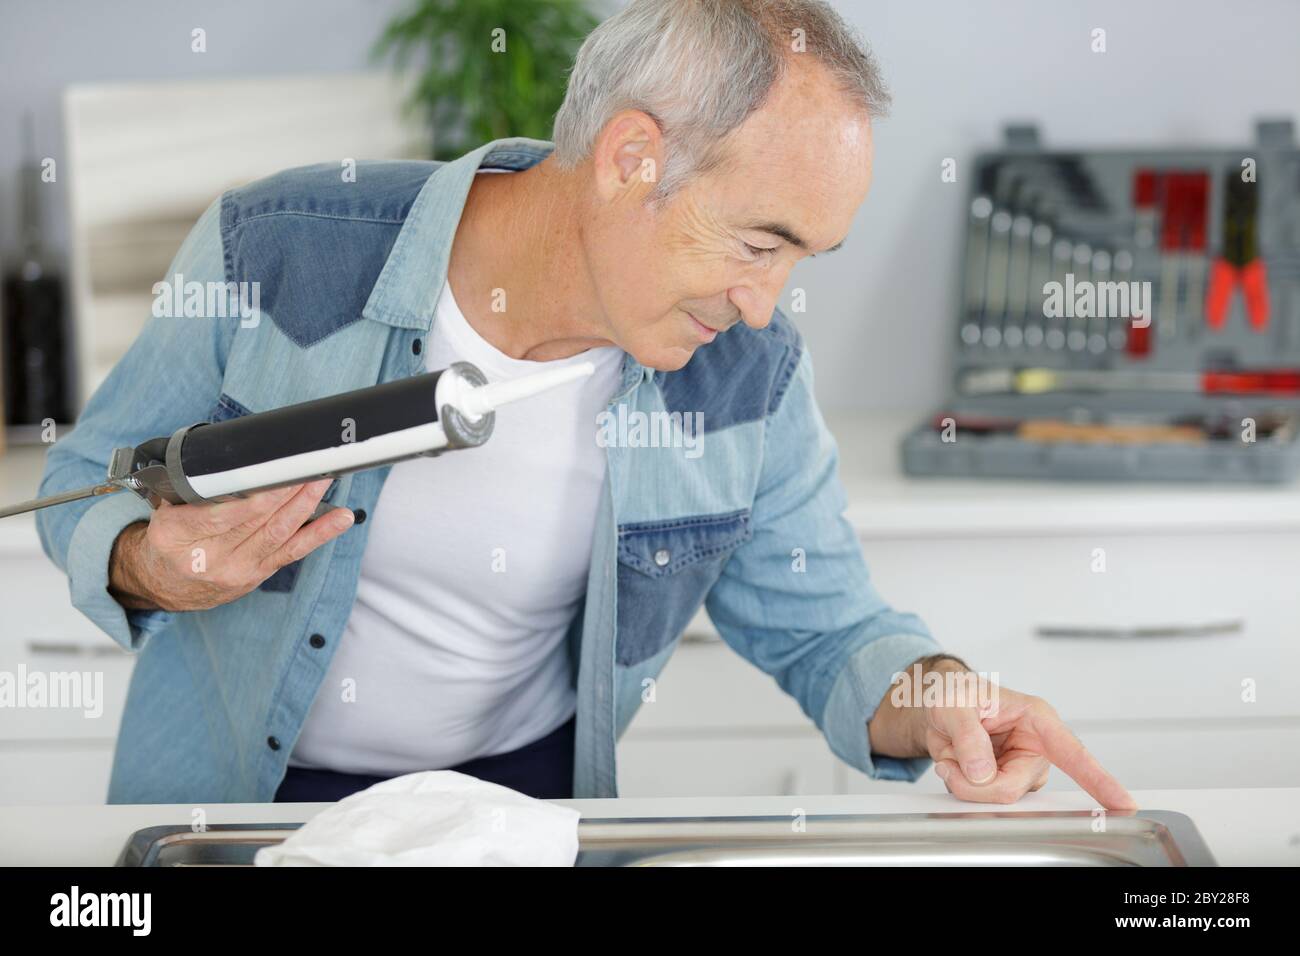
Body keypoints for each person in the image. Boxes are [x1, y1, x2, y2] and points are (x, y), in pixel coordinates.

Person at [37, 0, 1134, 810]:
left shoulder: (749, 377)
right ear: (629, 157)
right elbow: (79, 483)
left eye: (802, 259)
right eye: (760, 243)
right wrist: (149, 563)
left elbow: (832, 625)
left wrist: (948, 690)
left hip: (519, 809)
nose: (763, 305)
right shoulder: (273, 248)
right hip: (234, 809)